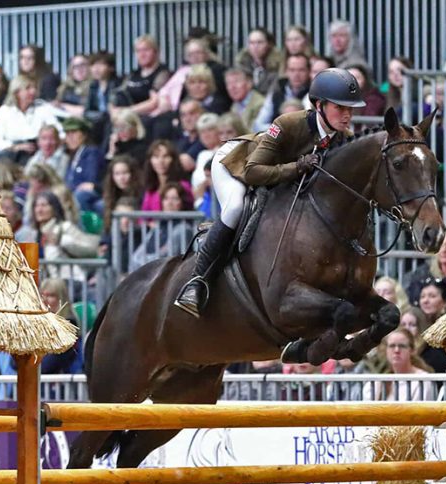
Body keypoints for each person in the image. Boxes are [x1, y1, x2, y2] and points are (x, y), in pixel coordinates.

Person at [174, 68, 365, 316]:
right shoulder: (287, 124)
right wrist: (297, 167)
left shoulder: (344, 138)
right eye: (340, 108)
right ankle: (197, 282)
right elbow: (253, 172)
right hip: (236, 163)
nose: (348, 115)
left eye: (351, 109)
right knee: (235, 208)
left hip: (276, 178)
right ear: (319, 105)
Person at [0, 75, 65, 164]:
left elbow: (59, 131)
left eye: (34, 88)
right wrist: (16, 147)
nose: (33, 91)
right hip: (12, 153)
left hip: (38, 151)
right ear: (17, 92)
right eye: (28, 88)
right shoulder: (4, 111)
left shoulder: (42, 108)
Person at [362, 329, 436, 402]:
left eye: (402, 346)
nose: (396, 350)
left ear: (412, 350)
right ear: (386, 350)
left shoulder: (423, 380)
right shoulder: (379, 383)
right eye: (392, 346)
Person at [252, 53, 313, 132]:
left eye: (301, 70)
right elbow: (258, 125)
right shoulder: (277, 92)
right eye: (292, 70)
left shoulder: (314, 93)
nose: (296, 74)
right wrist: (280, 130)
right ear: (286, 71)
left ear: (309, 71)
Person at [114, 34, 173, 115]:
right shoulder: (132, 74)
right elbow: (117, 93)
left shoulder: (162, 73)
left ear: (156, 52)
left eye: (146, 50)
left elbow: (154, 103)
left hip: (147, 117)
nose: (142, 55)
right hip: (125, 115)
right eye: (138, 51)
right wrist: (113, 110)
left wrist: (127, 111)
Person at [61, 118, 103, 214]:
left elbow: (90, 181)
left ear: (84, 135)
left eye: (74, 132)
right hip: (72, 194)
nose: (70, 137)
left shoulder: (91, 152)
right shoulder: (72, 156)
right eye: (67, 134)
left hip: (88, 194)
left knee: (80, 196)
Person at [140, 140, 189, 212]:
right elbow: (144, 216)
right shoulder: (150, 189)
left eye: (165, 156)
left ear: (173, 159)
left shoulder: (183, 186)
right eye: (156, 156)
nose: (160, 161)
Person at [236, 27, 282, 96]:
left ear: (269, 44)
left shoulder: (279, 66)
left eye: (260, 42)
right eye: (251, 43)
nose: (255, 46)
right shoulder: (241, 66)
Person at [83, 51, 120, 119]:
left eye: (101, 64)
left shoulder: (118, 85)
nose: (96, 68)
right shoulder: (93, 86)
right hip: (97, 120)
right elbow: (87, 111)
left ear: (111, 68)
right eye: (93, 64)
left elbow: (114, 111)